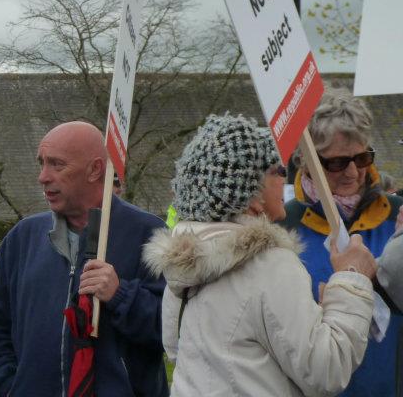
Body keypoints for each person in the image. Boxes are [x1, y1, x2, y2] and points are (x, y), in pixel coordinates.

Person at [144, 114, 376, 397]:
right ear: (250, 192)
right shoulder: (269, 265)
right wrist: (352, 280)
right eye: (278, 170)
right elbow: (326, 371)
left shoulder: (183, 266)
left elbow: (177, 350)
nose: (285, 177)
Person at [0, 121, 168, 397]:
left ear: (95, 169)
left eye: (57, 164)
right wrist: (9, 386)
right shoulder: (22, 238)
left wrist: (121, 295)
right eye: (42, 163)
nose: (43, 177)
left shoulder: (148, 234)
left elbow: (174, 330)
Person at [282, 89, 403, 396]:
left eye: (362, 158)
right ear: (307, 161)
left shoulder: (396, 217)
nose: (352, 172)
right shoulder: (284, 227)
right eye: (337, 163)